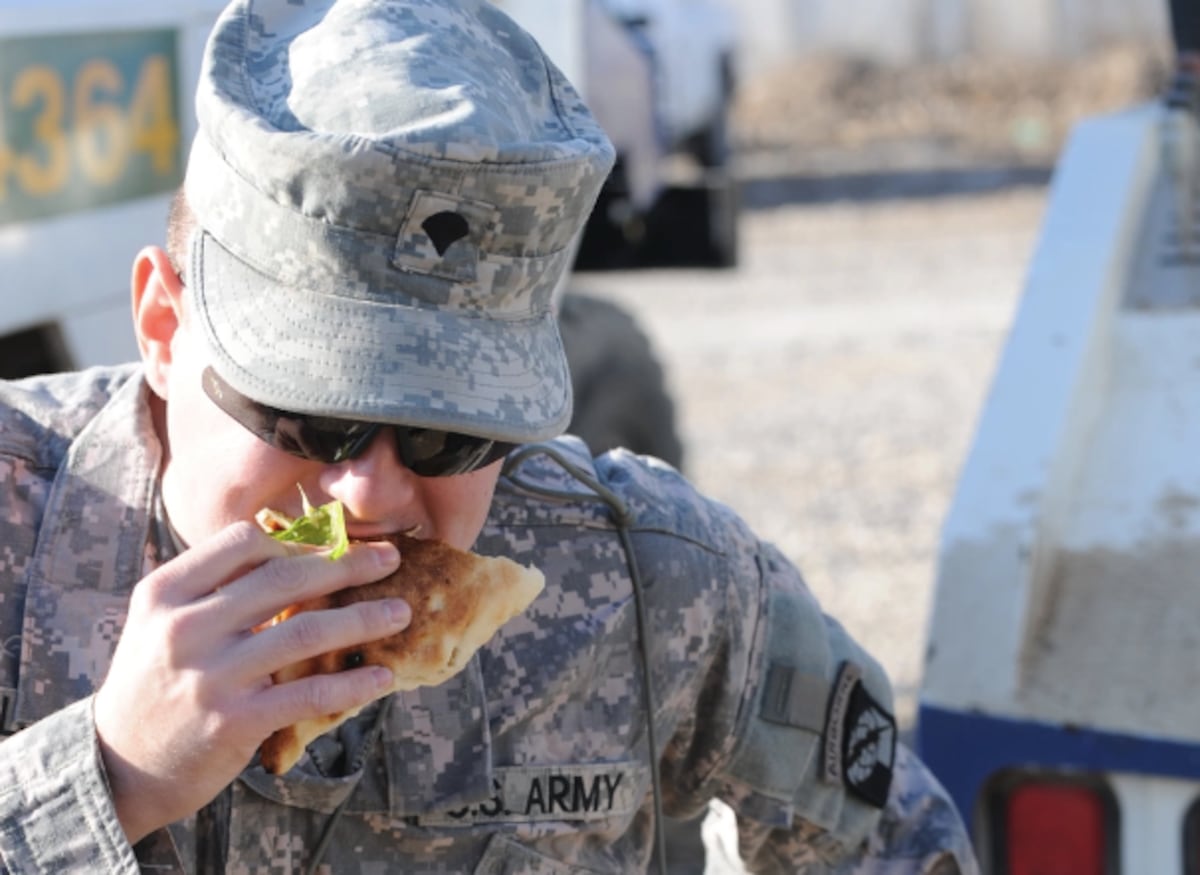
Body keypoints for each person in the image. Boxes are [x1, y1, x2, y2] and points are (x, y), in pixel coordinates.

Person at [0, 0, 978, 872]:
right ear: (163, 329)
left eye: (451, 433)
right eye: (314, 417)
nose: (372, 493)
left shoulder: (644, 583)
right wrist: (105, 781)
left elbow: (898, 843)